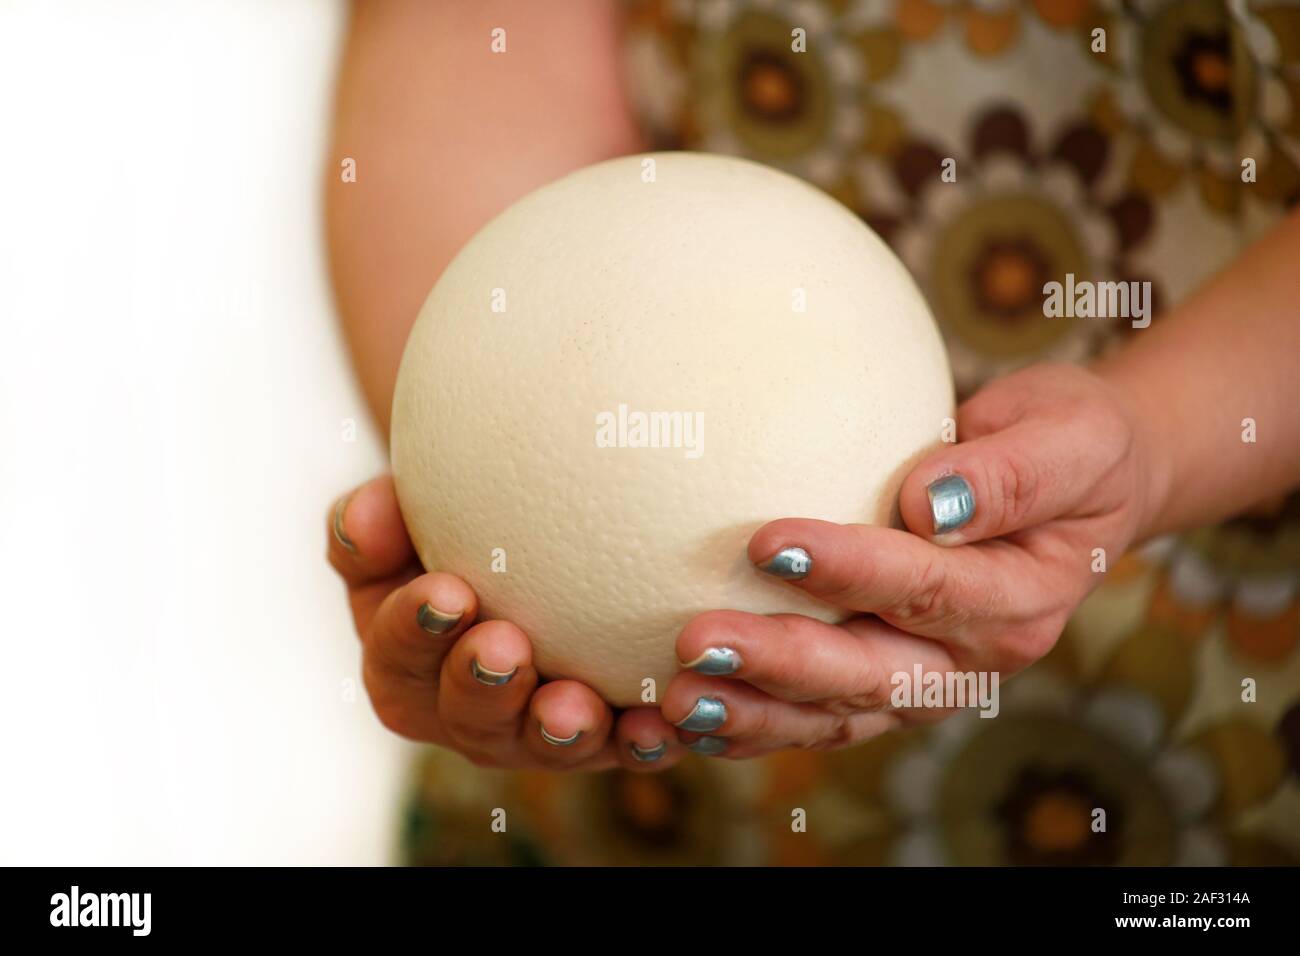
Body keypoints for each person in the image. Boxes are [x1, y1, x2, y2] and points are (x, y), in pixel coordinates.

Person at [325, 0, 1300, 865]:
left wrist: (1155, 442)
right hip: (619, 782)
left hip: (1217, 676)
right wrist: (470, 471)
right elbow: (466, 32)